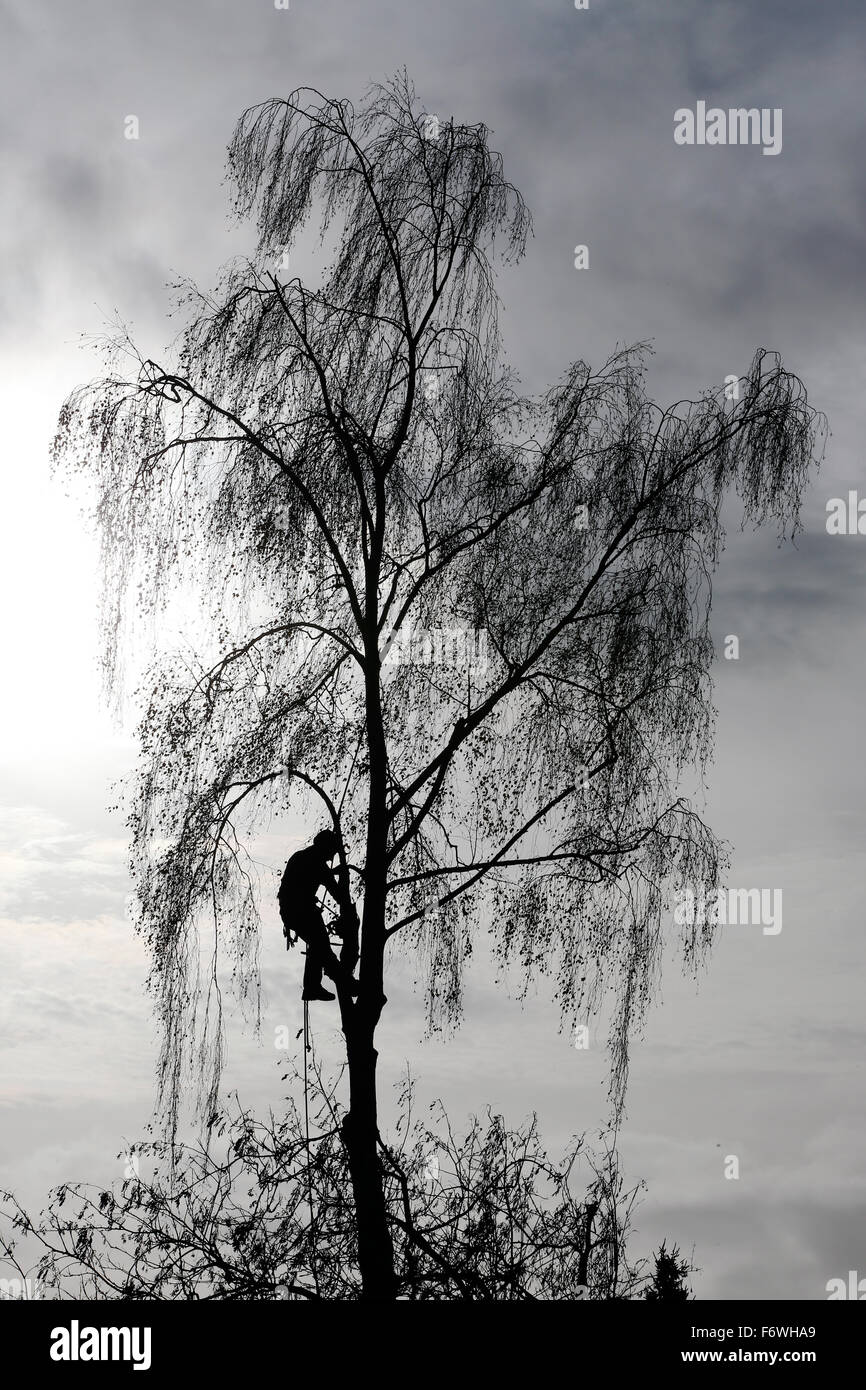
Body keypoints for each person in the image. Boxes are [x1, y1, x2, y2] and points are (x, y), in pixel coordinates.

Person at [278, 828, 360, 1003]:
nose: (332, 857)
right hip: (302, 911)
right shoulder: (317, 864)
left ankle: (312, 987)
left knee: (318, 947)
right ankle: (347, 984)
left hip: (291, 911)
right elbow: (338, 895)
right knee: (322, 948)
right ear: (325, 847)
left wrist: (332, 874)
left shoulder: (301, 857)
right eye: (332, 852)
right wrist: (342, 877)